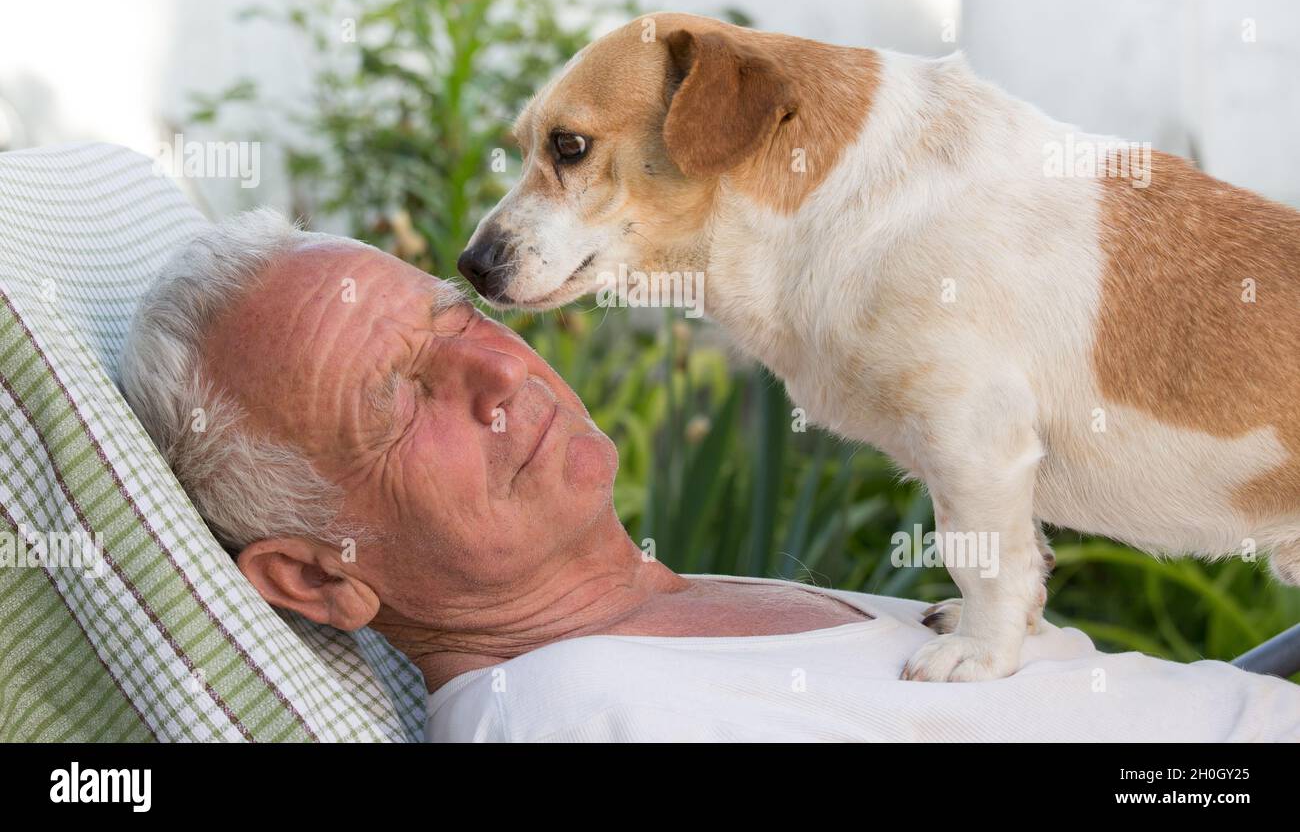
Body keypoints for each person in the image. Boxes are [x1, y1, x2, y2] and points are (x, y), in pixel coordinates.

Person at [118, 210, 1300, 741]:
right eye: (395, 398)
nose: (495, 373)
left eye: (449, 318)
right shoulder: (569, 715)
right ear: (319, 580)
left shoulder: (658, 619)